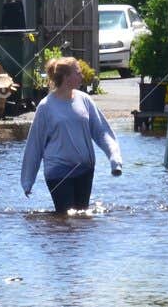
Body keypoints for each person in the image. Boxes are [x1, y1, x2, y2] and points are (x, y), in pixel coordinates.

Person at [21, 56, 122, 212]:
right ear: (67, 77)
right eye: (78, 72)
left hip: (85, 170)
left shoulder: (85, 100)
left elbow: (102, 131)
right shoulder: (46, 107)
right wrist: (28, 181)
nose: (82, 76)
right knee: (66, 216)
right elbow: (35, 145)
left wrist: (114, 158)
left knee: (81, 218)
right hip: (58, 172)